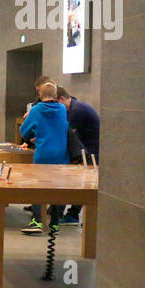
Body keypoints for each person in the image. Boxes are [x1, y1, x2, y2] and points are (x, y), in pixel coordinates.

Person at [19, 81, 70, 234]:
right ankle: (55, 223)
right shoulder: (62, 109)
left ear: (40, 95)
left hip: (43, 153)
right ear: (56, 96)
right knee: (58, 187)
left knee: (38, 187)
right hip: (61, 154)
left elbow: (24, 130)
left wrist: (33, 137)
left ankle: (37, 222)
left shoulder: (36, 110)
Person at [58, 87, 100, 225]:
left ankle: (73, 215)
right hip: (86, 148)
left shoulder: (77, 111)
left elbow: (68, 134)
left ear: (62, 99)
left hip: (91, 151)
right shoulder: (74, 107)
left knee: (84, 184)